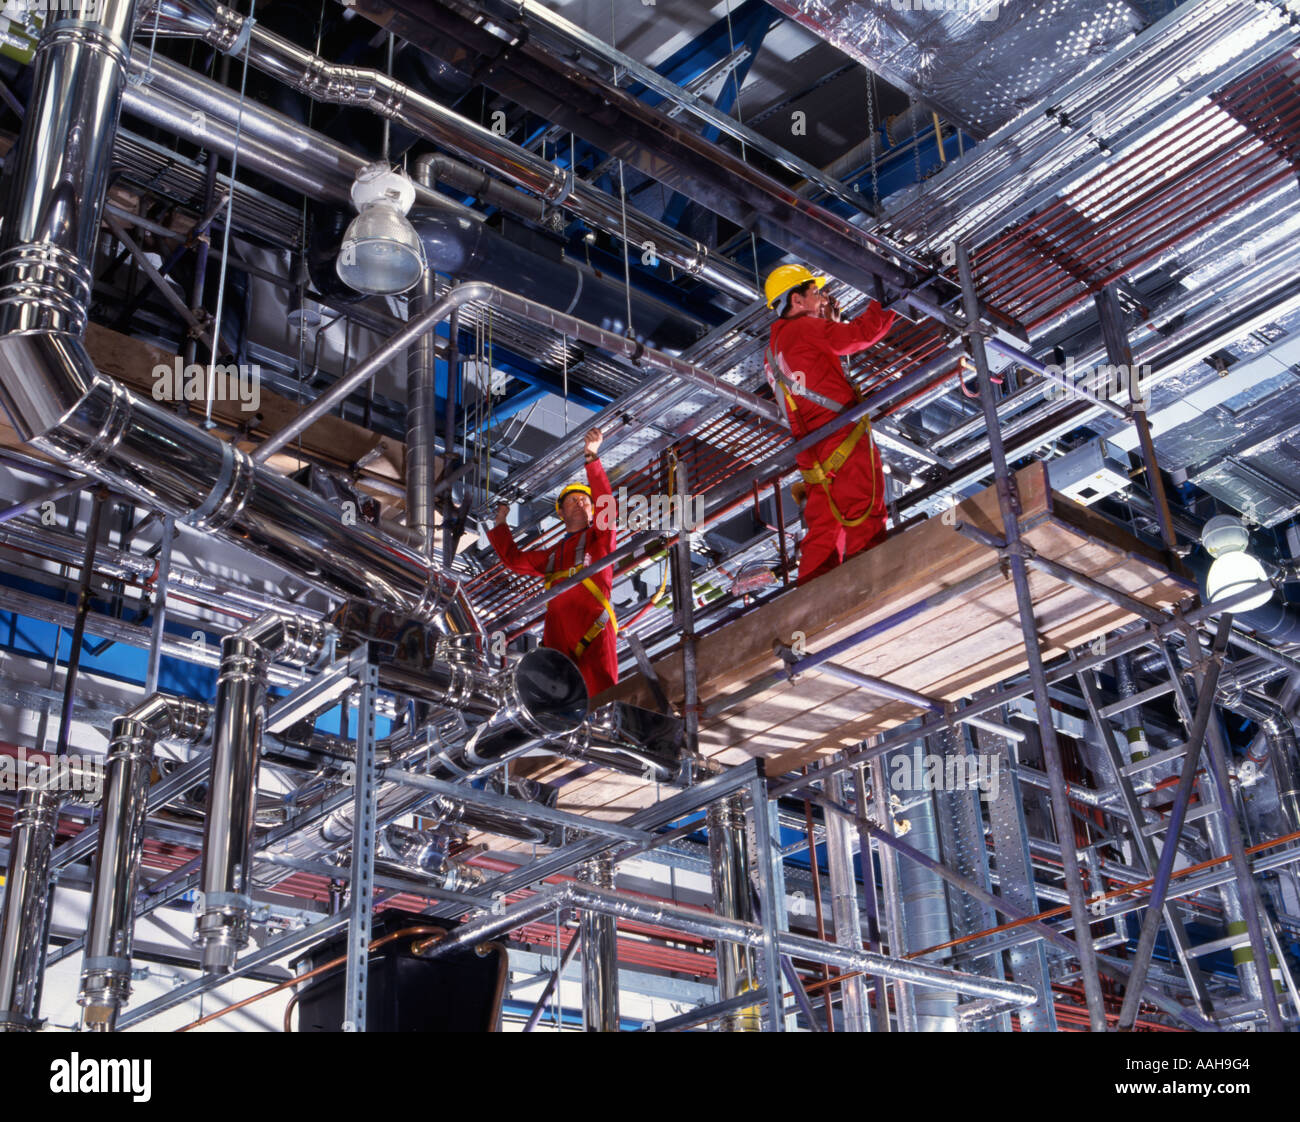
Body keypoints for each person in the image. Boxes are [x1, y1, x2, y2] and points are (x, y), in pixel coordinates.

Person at [764, 264, 895, 585]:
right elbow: (861, 335)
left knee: (826, 529)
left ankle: (812, 607)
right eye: (816, 293)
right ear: (797, 300)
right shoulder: (804, 328)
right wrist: (890, 296)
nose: (823, 299)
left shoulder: (772, 349)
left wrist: (826, 328)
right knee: (864, 512)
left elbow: (810, 376)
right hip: (840, 435)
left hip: (811, 451)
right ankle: (872, 590)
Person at [489, 427, 618, 699]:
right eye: (573, 500)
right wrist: (500, 523)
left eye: (585, 499)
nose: (580, 503)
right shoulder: (551, 557)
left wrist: (591, 458)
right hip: (558, 634)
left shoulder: (600, 541)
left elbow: (608, 507)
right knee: (559, 704)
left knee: (604, 698)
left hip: (593, 626)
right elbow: (514, 560)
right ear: (561, 511)